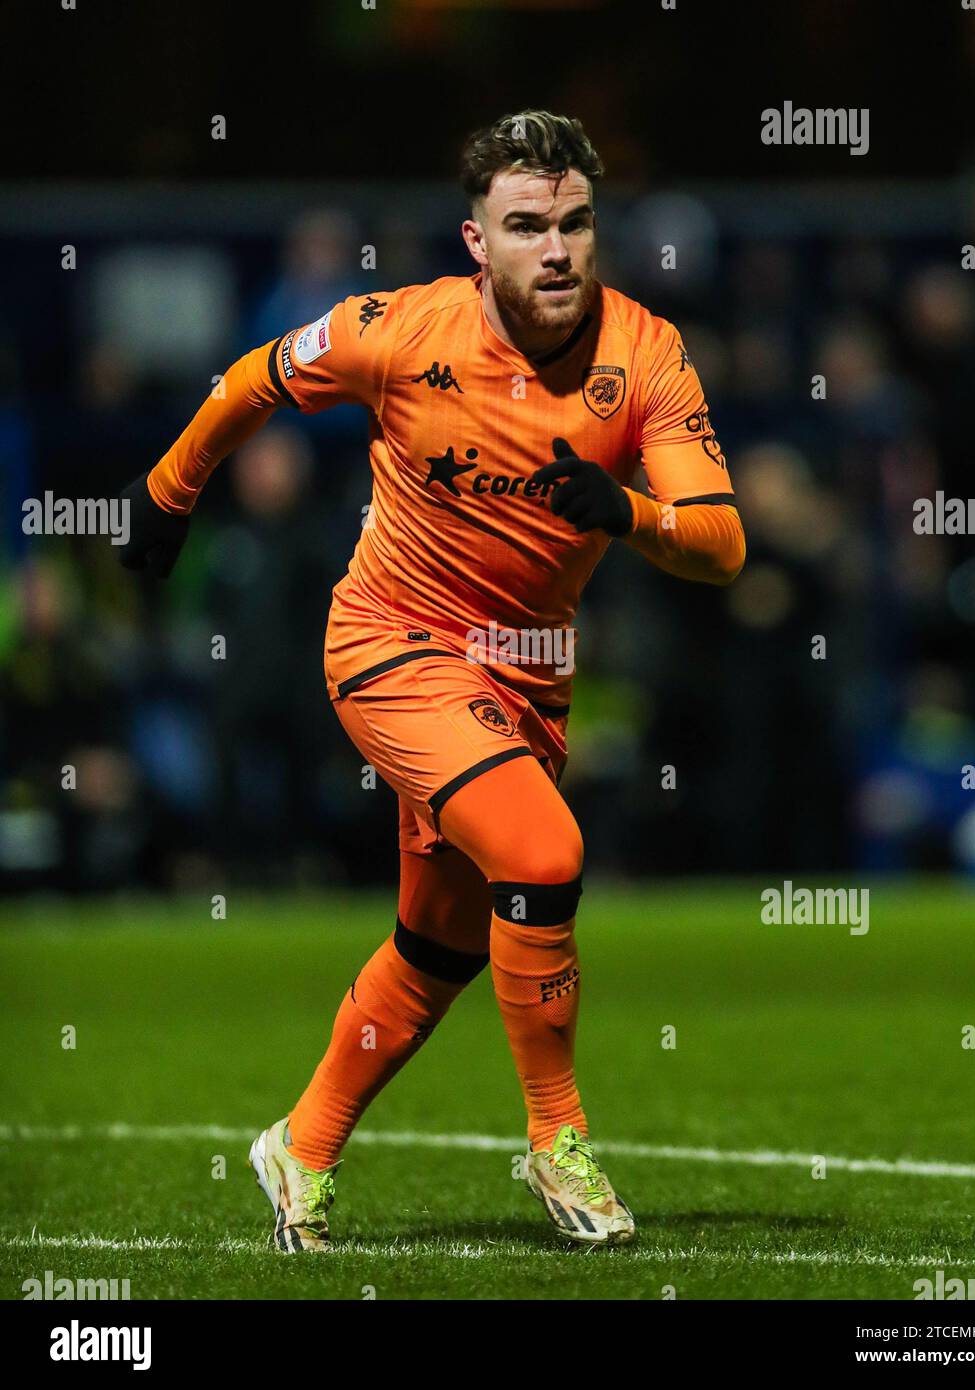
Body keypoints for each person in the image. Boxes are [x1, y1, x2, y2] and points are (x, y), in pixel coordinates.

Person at [119, 110, 745, 1250]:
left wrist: (631, 513)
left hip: (527, 683)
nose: (554, 250)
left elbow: (720, 540)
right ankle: (556, 1138)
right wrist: (167, 494)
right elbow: (254, 378)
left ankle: (297, 1146)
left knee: (440, 944)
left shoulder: (644, 353)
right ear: (475, 242)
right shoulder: (400, 332)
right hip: (391, 646)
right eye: (524, 227)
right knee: (545, 852)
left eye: (573, 223)